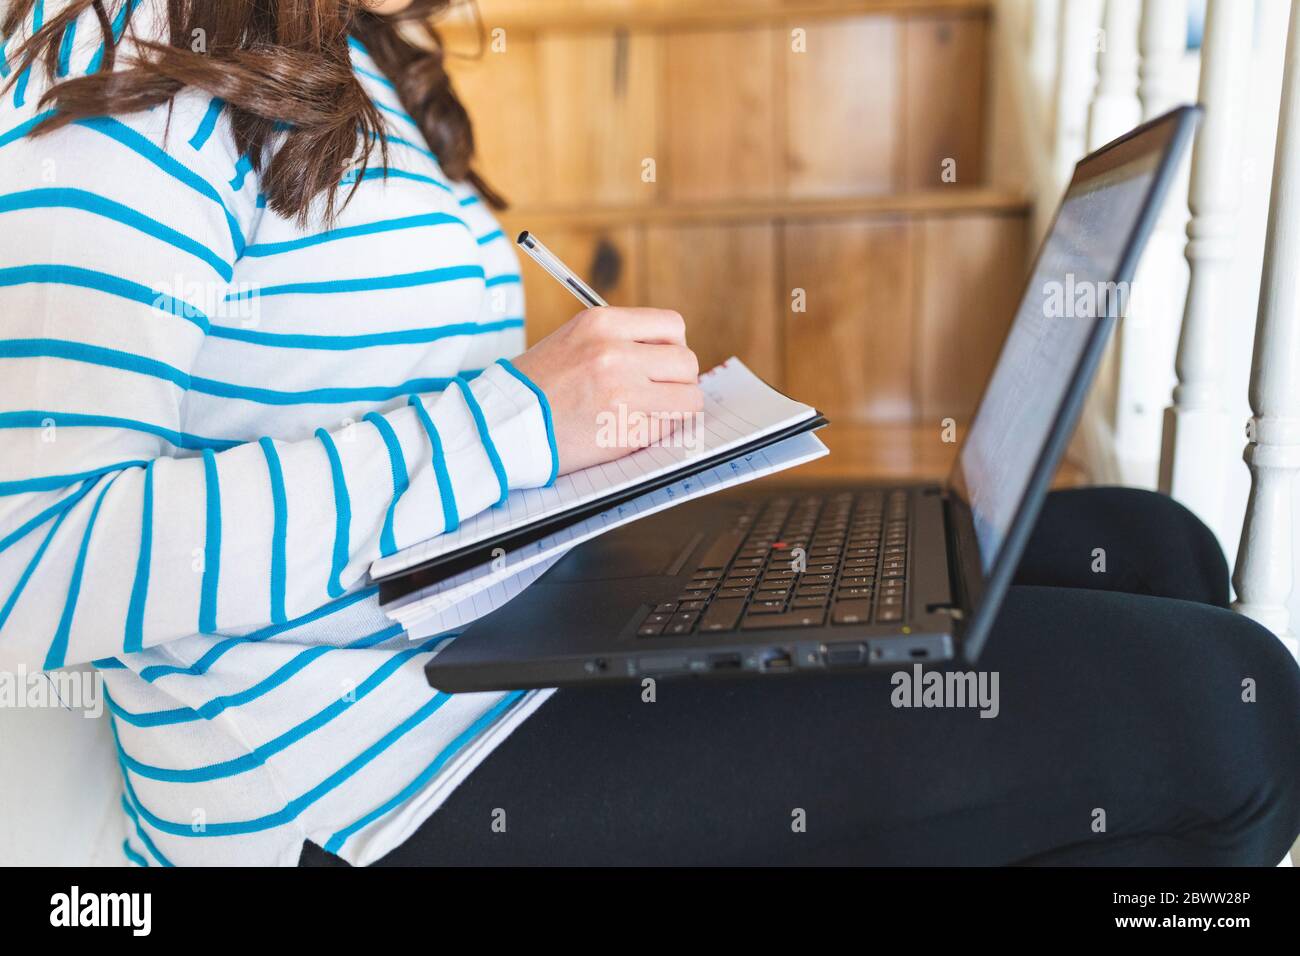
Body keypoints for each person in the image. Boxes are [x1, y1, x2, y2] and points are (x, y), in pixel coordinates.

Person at [1, 0, 1296, 868]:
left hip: (493, 642)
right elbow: (33, 570)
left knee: (1154, 542)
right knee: (1228, 714)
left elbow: (365, 417)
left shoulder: (359, 55)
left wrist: (586, 459)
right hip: (352, 784)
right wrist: (518, 423)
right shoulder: (128, 60)